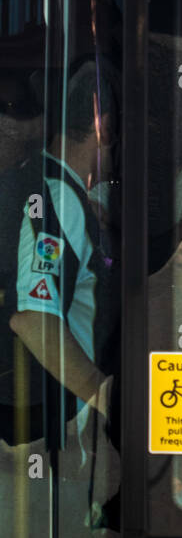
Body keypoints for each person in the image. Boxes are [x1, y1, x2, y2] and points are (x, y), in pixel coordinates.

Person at [0, 60, 118, 446]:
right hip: (42, 429)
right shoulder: (60, 199)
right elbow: (35, 320)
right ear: (101, 123)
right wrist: (108, 399)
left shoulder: (42, 179)